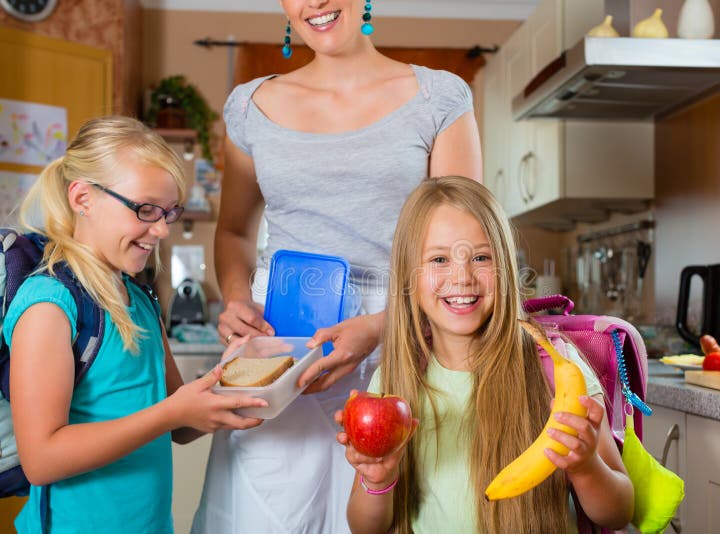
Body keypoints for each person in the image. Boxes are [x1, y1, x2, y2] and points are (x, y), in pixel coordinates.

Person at [192, 0, 482, 532]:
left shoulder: (439, 97)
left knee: (385, 509)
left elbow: (464, 246)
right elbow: (232, 231)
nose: (315, 3)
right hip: (282, 341)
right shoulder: (251, 107)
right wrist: (236, 299)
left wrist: (381, 327)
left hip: (404, 334)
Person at [5, 116, 267, 533]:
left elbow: (178, 423)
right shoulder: (50, 304)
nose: (162, 228)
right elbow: (41, 459)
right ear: (83, 197)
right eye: (145, 209)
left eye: (169, 211)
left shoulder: (139, 299)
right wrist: (168, 414)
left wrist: (231, 387)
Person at [336, 176, 634, 533]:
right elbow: (364, 527)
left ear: (505, 268)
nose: (462, 277)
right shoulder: (394, 381)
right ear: (408, 279)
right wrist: (378, 478)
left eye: (480, 257)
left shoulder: (555, 367)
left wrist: (587, 468)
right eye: (439, 259)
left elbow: (619, 511)